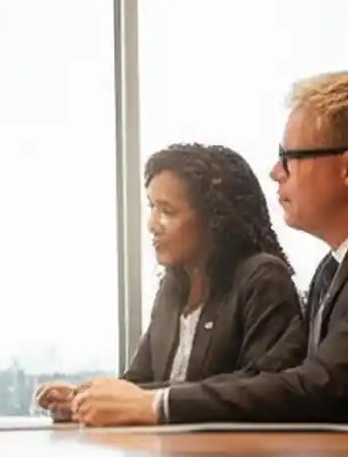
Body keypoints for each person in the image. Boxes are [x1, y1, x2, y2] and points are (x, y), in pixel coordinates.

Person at [68, 71, 348, 434]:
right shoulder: (336, 268)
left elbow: (322, 387)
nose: (274, 172)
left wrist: (154, 405)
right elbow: (264, 375)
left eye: (290, 157)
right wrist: (122, 399)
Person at [37, 143, 305, 420]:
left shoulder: (262, 277)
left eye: (167, 210)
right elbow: (138, 383)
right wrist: (84, 397)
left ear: (215, 219)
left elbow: (261, 389)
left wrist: (144, 400)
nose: (152, 224)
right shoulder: (173, 288)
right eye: (152, 207)